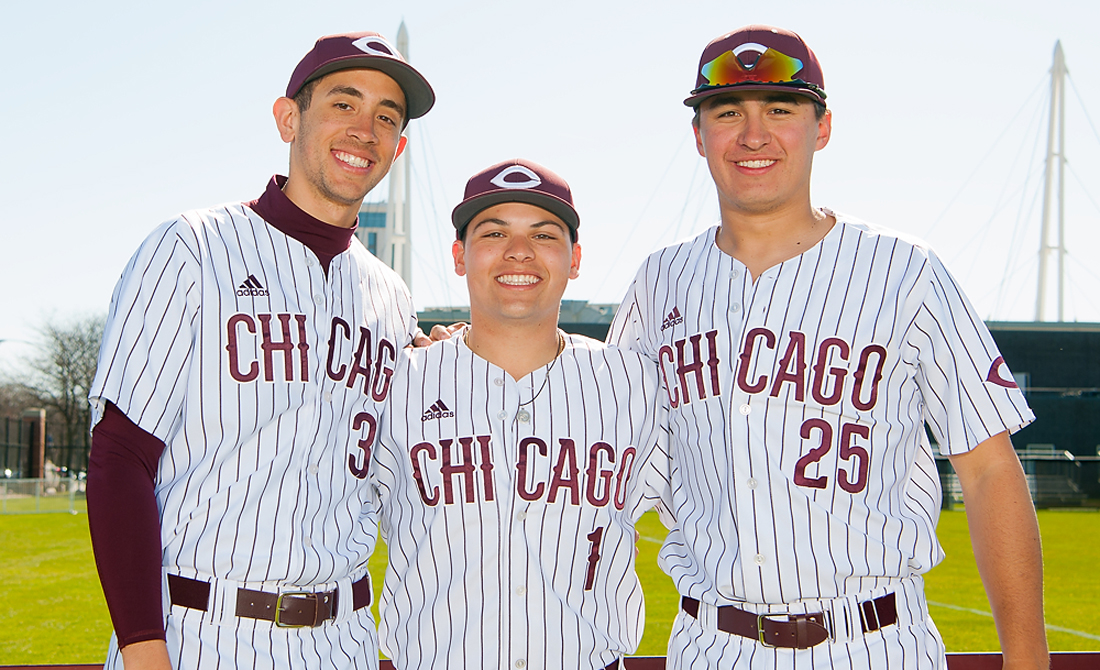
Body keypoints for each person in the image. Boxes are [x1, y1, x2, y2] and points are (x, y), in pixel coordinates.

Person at [607, 25, 1048, 669]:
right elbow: (600, 440)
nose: (753, 135)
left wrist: (1028, 660)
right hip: (710, 645)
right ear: (700, 136)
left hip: (873, 642)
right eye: (728, 112)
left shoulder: (907, 272)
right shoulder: (659, 281)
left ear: (823, 127)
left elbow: (987, 470)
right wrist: (471, 348)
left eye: (780, 110)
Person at [86, 32, 435, 670]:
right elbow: (120, 453)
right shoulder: (192, 246)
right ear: (287, 117)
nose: (365, 129)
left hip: (345, 637)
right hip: (204, 631)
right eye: (343, 104)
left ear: (398, 148)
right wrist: (142, 648)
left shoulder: (389, 293)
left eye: (387, 117)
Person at [370, 159, 671, 670]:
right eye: (494, 233)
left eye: (543, 234)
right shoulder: (395, 381)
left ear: (574, 259)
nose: (519, 252)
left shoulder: (636, 385)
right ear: (459, 255)